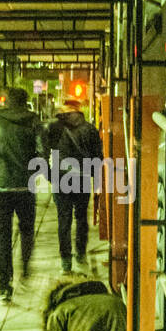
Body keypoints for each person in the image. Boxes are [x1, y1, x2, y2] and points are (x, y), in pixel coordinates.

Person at [0, 86, 46, 304]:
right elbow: (42, 153)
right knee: (26, 230)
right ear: (25, 102)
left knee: (3, 237)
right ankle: (25, 269)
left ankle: (5, 286)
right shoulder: (34, 122)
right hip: (25, 187)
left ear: (6, 102)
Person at [47, 99, 103, 273]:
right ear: (78, 111)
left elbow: (42, 151)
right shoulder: (89, 129)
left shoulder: (55, 129)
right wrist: (97, 180)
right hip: (82, 178)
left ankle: (65, 261)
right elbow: (98, 157)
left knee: (63, 220)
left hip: (61, 178)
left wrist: (50, 175)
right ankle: (80, 254)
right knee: (81, 219)